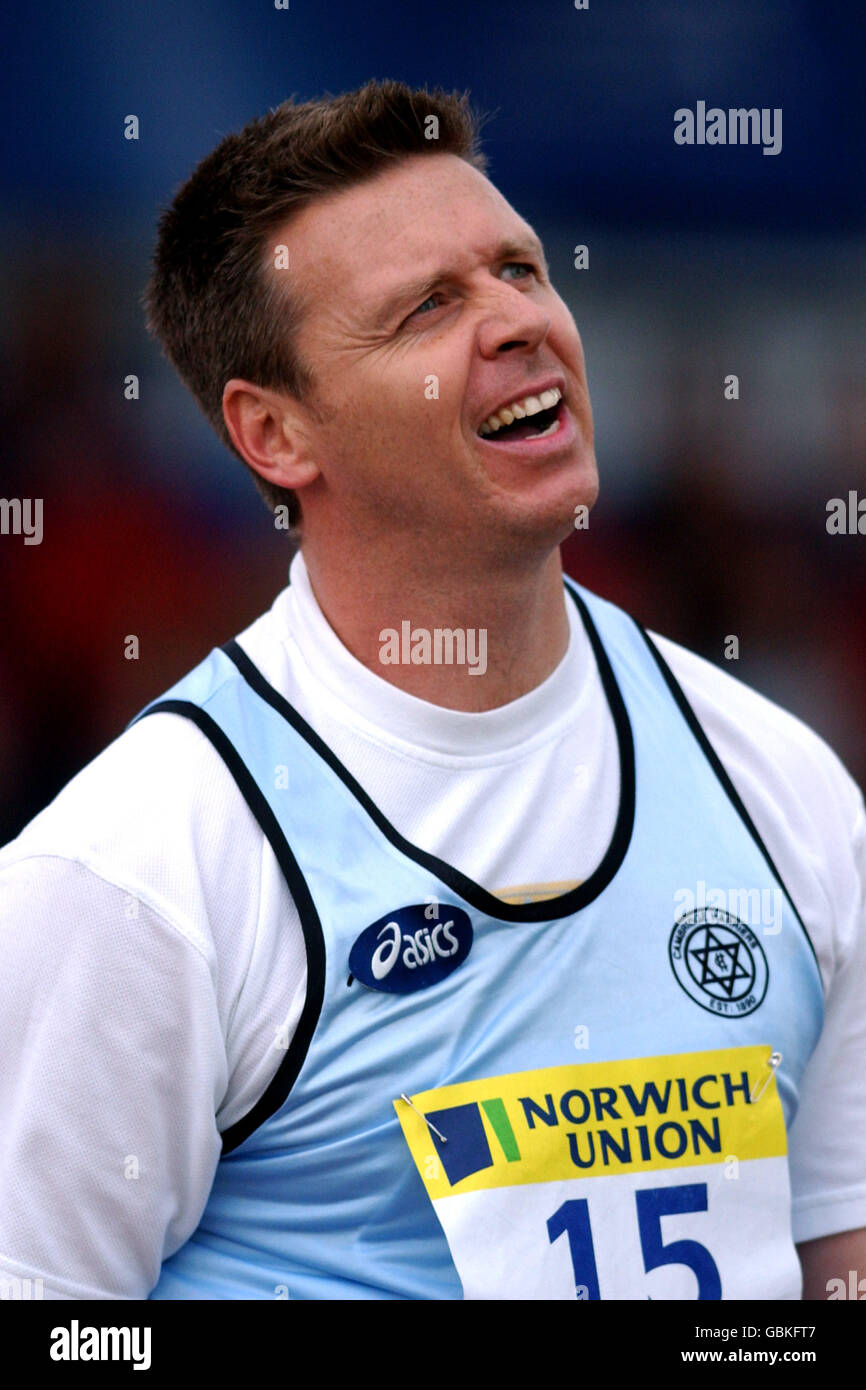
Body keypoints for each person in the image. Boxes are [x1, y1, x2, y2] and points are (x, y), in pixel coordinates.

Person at [0, 79, 863, 1302]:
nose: (516, 321)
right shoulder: (130, 877)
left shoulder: (777, 778)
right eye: (425, 309)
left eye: (518, 269)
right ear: (275, 435)